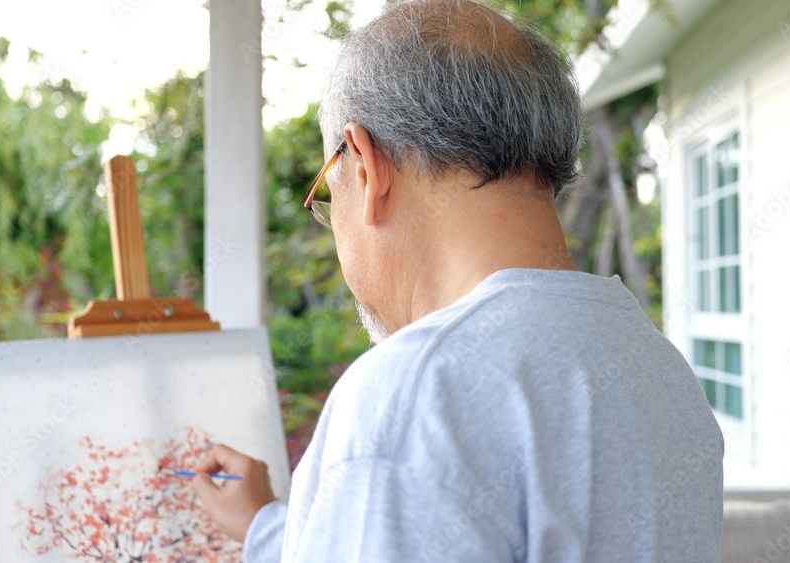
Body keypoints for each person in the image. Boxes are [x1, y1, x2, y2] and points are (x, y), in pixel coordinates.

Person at [191, 0, 724, 561]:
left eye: (329, 189)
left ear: (368, 169)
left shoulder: (413, 396)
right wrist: (271, 529)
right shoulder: (657, 366)